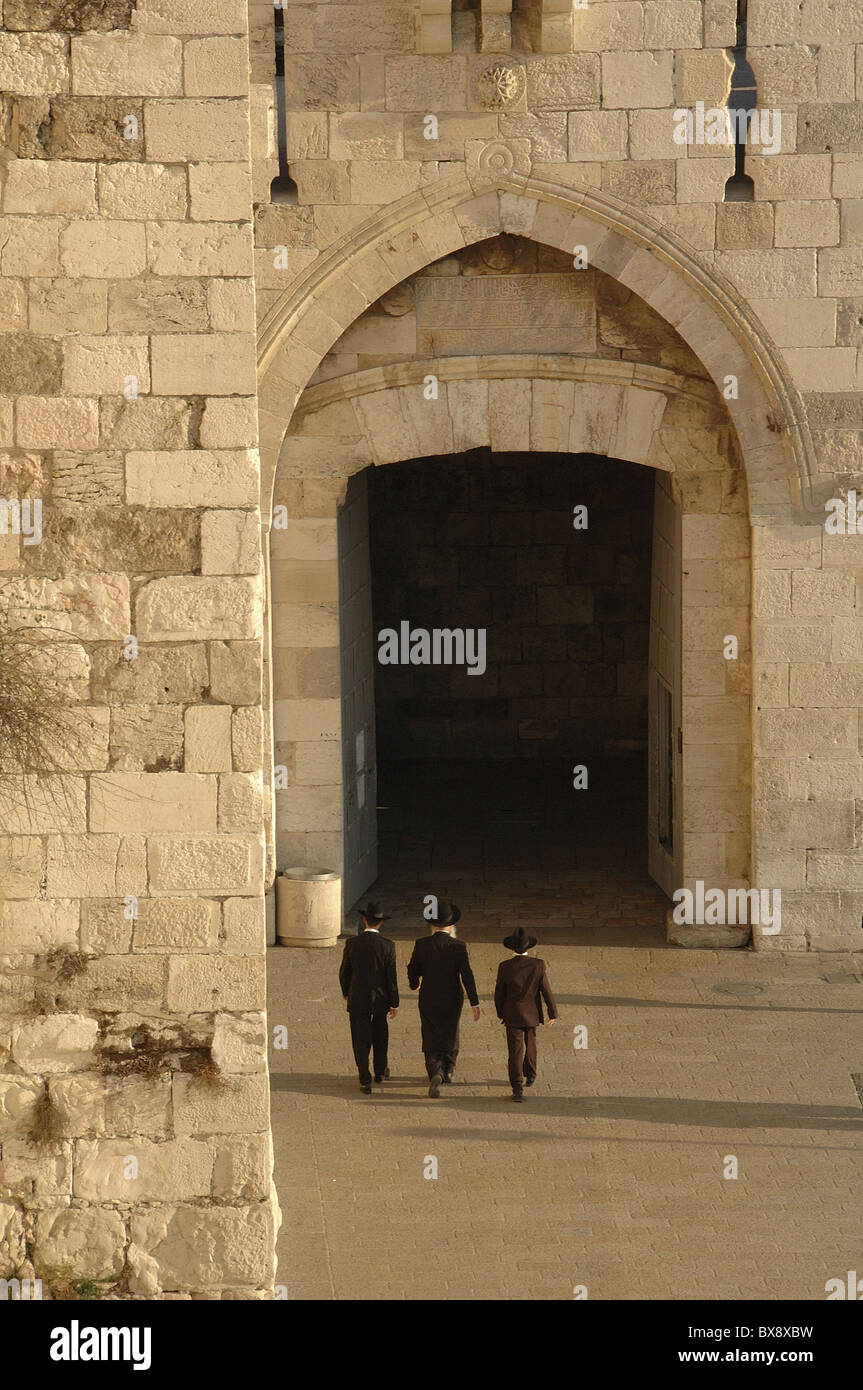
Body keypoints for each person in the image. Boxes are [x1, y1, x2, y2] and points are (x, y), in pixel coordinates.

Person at [407, 900, 479, 1098]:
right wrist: (475, 1001)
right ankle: (448, 1067)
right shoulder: (458, 947)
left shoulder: (422, 945)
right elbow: (467, 975)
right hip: (452, 997)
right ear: (451, 925)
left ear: (432, 924)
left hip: (429, 996)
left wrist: (414, 984)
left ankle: (434, 1071)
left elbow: (412, 969)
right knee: (450, 1030)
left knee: (430, 1032)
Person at [338, 901, 398, 1095]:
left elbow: (344, 971)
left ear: (364, 920)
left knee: (360, 1038)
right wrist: (394, 1002)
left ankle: (365, 1076)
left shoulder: (352, 943)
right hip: (380, 999)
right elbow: (391, 978)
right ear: (380, 923)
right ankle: (380, 1070)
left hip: (358, 998)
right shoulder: (388, 946)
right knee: (381, 1035)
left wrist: (346, 990)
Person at [494, 926, 558, 1102]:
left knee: (514, 1050)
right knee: (531, 1043)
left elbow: (499, 993)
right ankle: (530, 1074)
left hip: (512, 1013)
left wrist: (500, 1012)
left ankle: (517, 1086)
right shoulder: (538, 965)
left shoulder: (505, 967)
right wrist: (552, 1012)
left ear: (512, 948)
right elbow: (546, 990)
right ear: (528, 947)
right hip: (532, 1012)